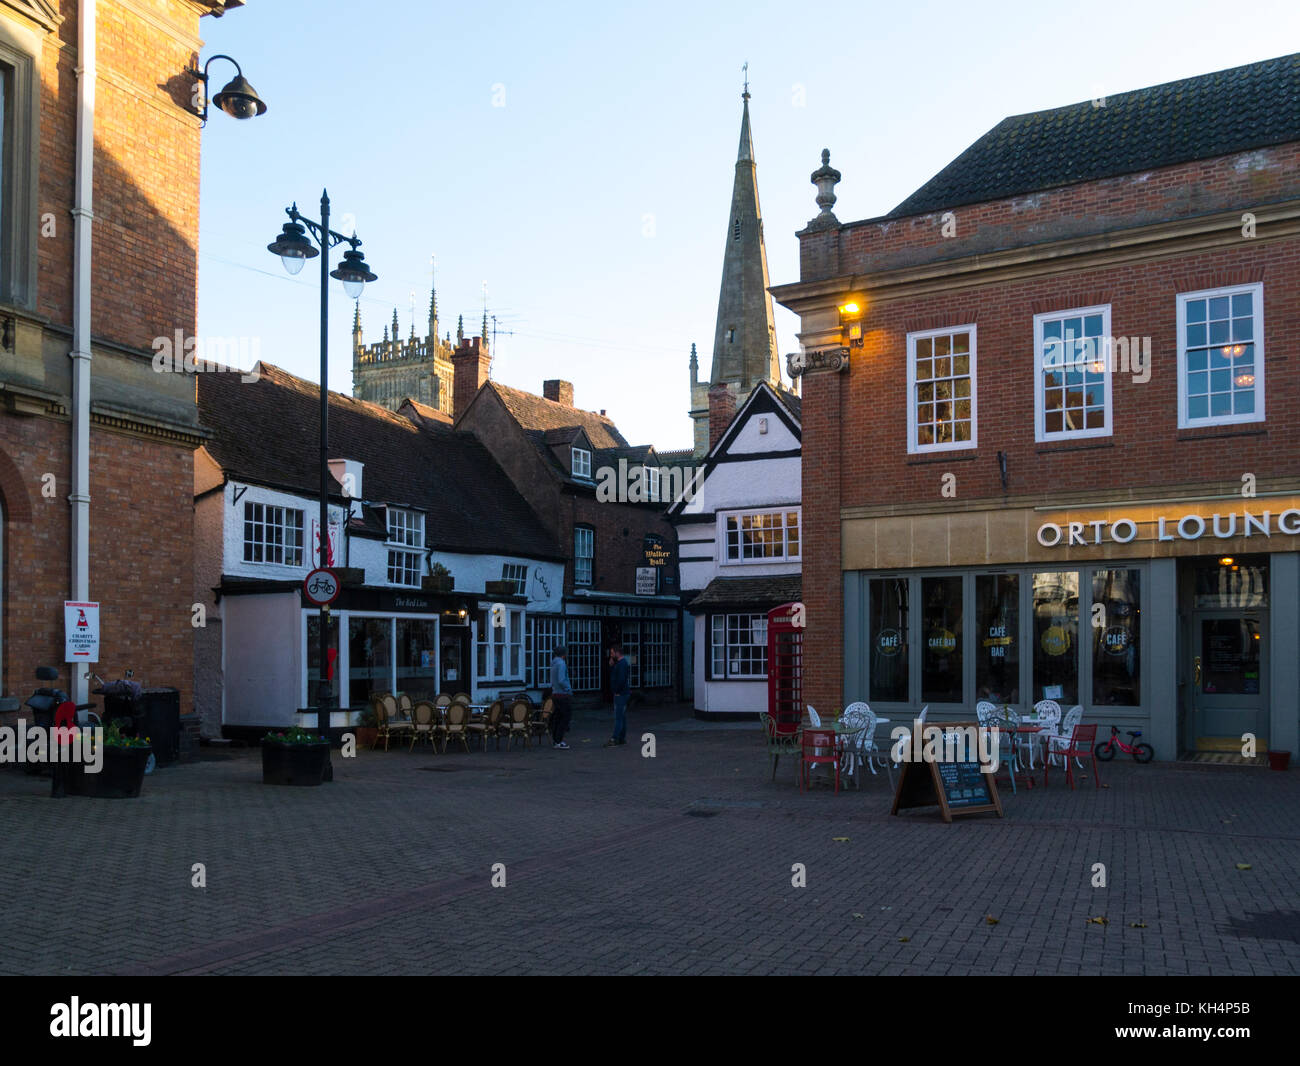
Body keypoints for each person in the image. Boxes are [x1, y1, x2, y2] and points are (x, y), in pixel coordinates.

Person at [604, 643, 630, 747]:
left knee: (618, 717)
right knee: (622, 717)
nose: (611, 655)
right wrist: (612, 666)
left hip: (621, 694)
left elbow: (621, 679)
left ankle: (615, 738)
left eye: (612, 653)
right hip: (622, 692)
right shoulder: (619, 664)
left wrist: (617, 691)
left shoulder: (622, 664)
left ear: (617, 653)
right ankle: (621, 738)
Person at [549, 644, 573, 749]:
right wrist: (568, 689)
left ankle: (556, 740)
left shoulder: (553, 663)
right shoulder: (562, 664)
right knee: (565, 718)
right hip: (562, 694)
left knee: (557, 717)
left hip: (555, 693)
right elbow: (561, 679)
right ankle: (559, 740)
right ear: (564, 654)